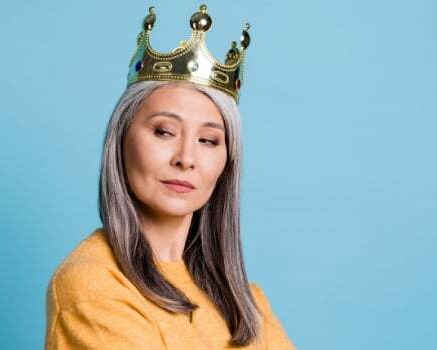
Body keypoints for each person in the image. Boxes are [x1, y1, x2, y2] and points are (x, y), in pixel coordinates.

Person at [44, 5, 297, 350]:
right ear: (120, 141)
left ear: (227, 162)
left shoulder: (246, 303)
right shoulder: (93, 286)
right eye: (164, 132)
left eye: (208, 140)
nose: (186, 159)